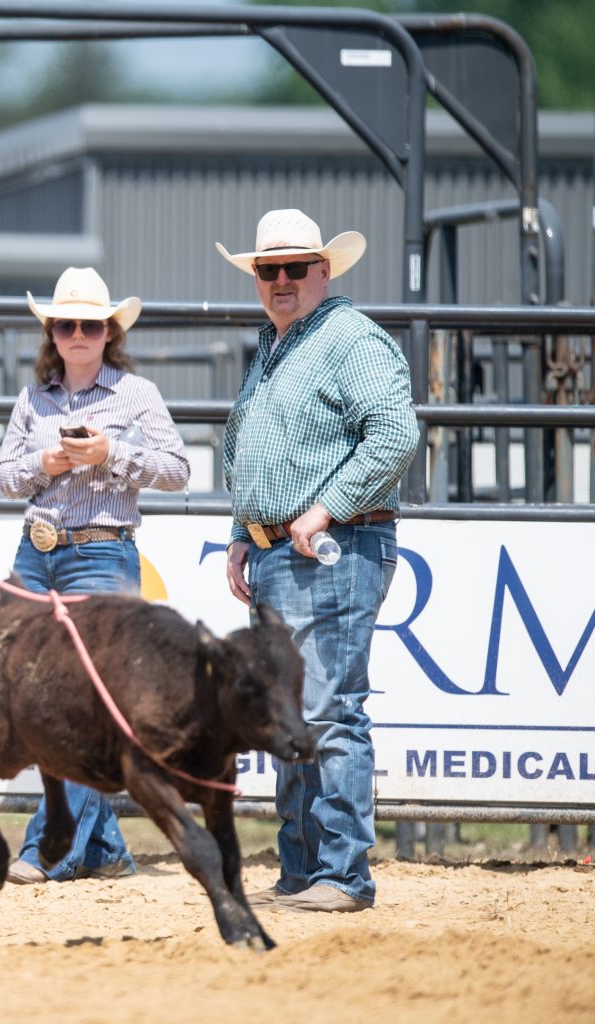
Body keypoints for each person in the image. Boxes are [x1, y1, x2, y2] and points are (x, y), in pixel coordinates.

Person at [216, 209, 418, 913]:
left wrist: (325, 507)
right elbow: (252, 449)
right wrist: (244, 527)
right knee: (296, 711)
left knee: (328, 708)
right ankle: (306, 870)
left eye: (294, 268)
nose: (280, 280)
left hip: (333, 546)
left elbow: (395, 433)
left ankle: (341, 873)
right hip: (283, 551)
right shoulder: (281, 345)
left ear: (323, 272)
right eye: (268, 270)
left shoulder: (350, 339)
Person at [0, 266, 190, 884]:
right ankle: (102, 848)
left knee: (77, 698)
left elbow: (179, 469)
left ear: (109, 332)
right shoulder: (34, 400)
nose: (78, 333)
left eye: (90, 324)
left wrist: (113, 454)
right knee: (22, 685)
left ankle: (48, 847)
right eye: (66, 324)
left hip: (102, 552)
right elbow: (3, 476)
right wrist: (44, 463)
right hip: (38, 549)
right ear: (53, 333)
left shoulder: (137, 395)